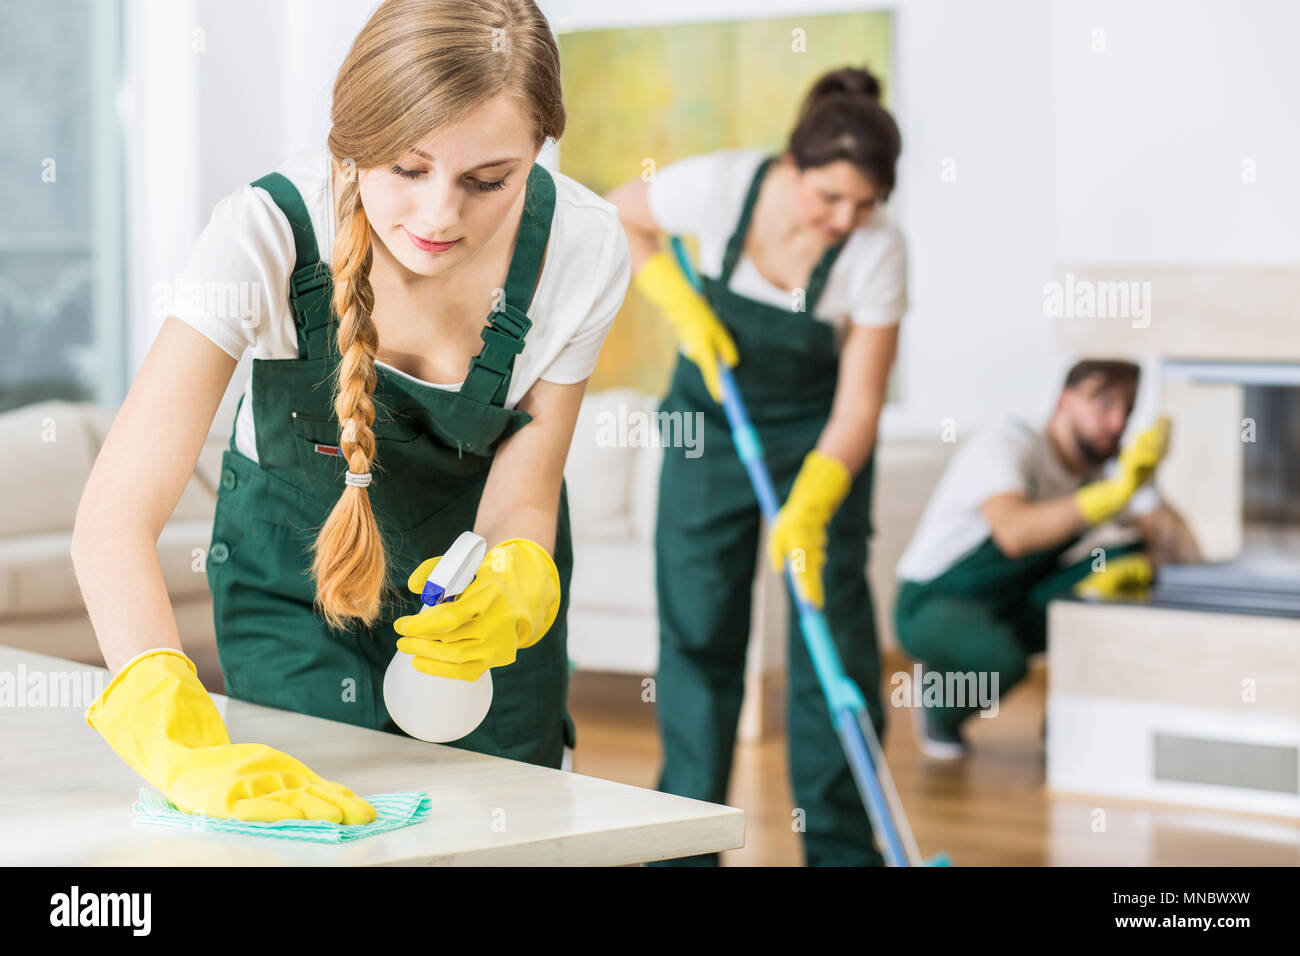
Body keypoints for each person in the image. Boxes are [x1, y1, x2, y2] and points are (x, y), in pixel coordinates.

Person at [71, 0, 630, 824]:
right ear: (351, 143)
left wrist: (518, 581)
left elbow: (525, 497)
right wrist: (170, 732)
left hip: (469, 614)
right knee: (310, 830)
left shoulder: (584, 247)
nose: (441, 215)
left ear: (541, 151)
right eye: (407, 169)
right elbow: (113, 519)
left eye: (489, 181)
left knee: (507, 829)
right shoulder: (265, 232)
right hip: (295, 595)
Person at [607, 66, 907, 866]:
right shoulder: (722, 186)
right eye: (829, 198)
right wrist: (677, 297)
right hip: (710, 428)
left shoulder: (877, 253)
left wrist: (814, 500)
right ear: (793, 166)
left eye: (865, 203)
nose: (845, 219)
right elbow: (620, 213)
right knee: (699, 633)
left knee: (830, 646)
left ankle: (842, 848)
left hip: (818, 447)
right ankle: (685, 847)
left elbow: (860, 406)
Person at [894, 359, 1201, 759]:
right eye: (1104, 403)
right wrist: (1111, 496)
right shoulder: (1007, 446)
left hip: (1012, 598)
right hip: (934, 600)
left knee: (1129, 558)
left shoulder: (1106, 470)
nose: (1116, 422)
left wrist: (1154, 484)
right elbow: (1014, 534)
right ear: (1064, 401)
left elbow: (1180, 550)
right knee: (1000, 659)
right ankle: (939, 703)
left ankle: (1069, 718)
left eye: (1127, 409)